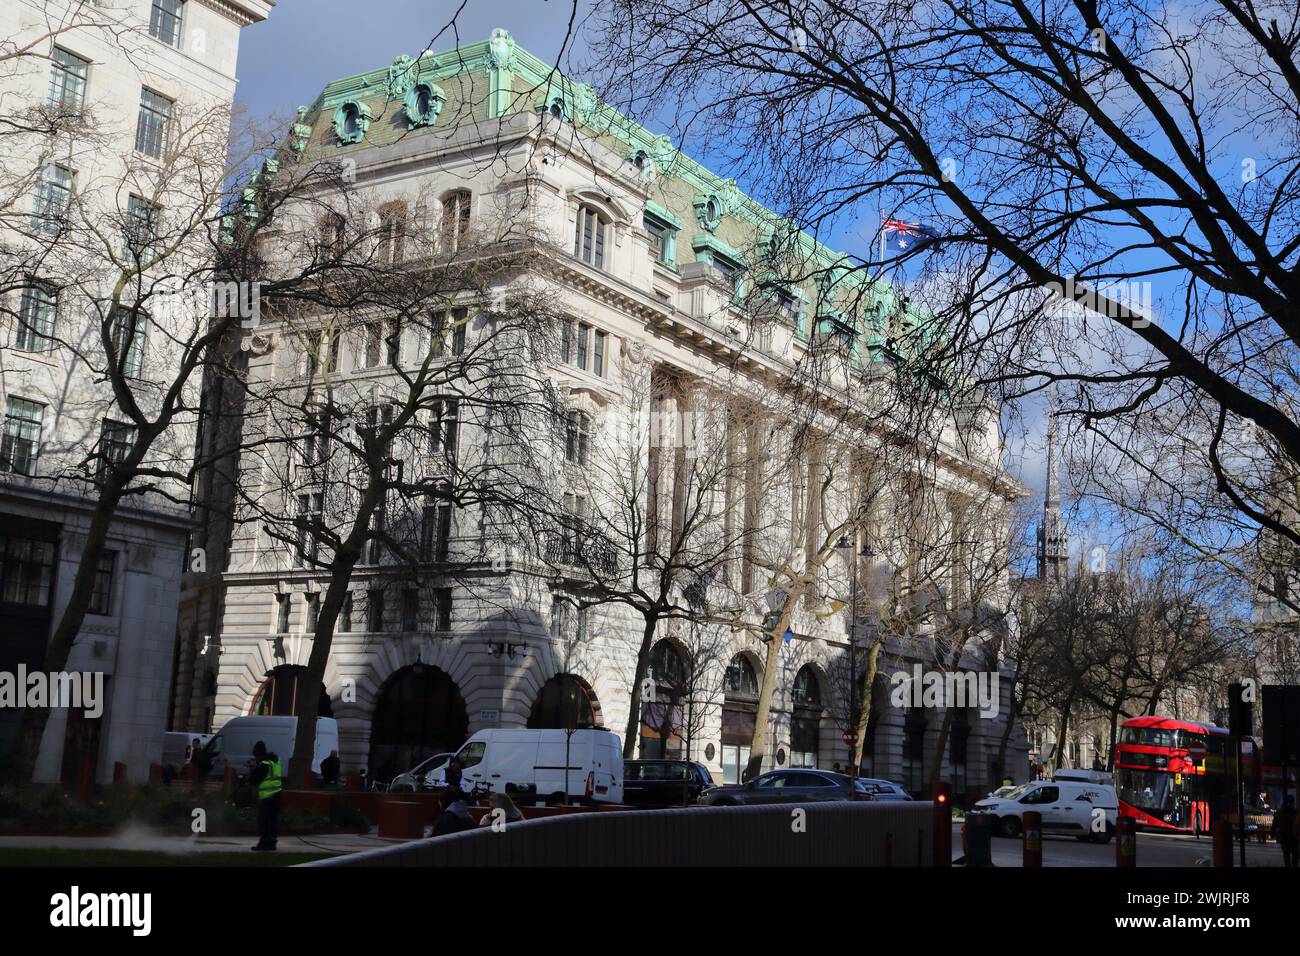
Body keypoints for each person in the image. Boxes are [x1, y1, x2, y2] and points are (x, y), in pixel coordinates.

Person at [248, 740, 283, 852]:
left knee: (264, 821)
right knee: (273, 820)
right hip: (277, 794)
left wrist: (249, 777)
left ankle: (264, 843)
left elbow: (255, 779)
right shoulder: (275, 761)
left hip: (267, 796)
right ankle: (272, 842)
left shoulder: (264, 764)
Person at [1272, 795, 1298, 868]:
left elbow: (1275, 824)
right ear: (1293, 802)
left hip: (1284, 838)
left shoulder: (1280, 812)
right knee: (1295, 856)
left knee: (1286, 856)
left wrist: (1272, 833)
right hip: (1294, 838)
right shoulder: (1296, 812)